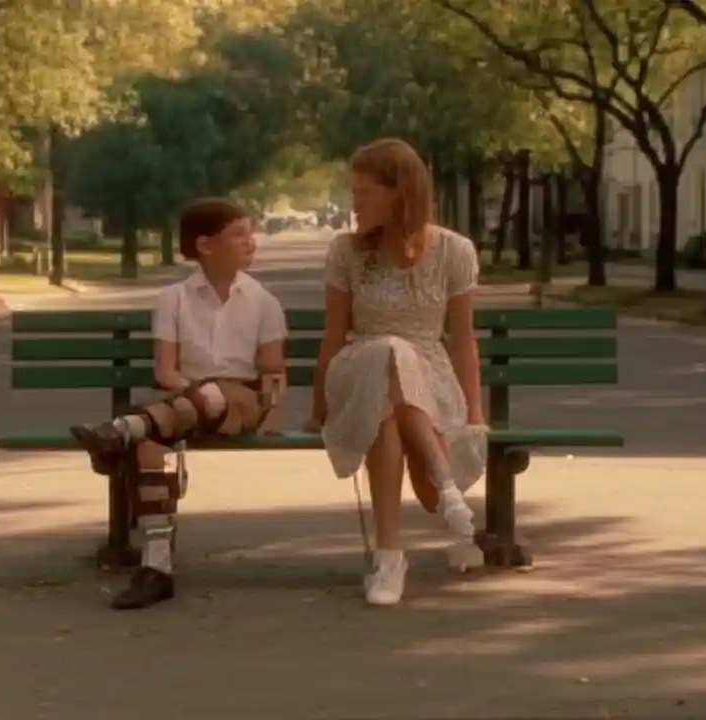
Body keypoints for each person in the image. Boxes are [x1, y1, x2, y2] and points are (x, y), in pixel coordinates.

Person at [70, 198, 288, 611]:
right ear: (205, 246)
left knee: (201, 400)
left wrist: (273, 414)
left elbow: (273, 372)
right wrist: (195, 393)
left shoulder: (263, 301)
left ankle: (119, 430)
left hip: (243, 399)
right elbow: (166, 371)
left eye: (250, 232)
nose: (250, 242)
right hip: (184, 398)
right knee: (151, 447)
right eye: (238, 234)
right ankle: (157, 569)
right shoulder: (173, 299)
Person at [308, 138, 487, 606]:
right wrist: (319, 406)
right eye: (354, 193)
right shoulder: (346, 252)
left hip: (428, 377)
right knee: (385, 352)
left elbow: (463, 339)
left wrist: (475, 413)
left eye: (364, 193)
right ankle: (440, 487)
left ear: (398, 194)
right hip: (358, 367)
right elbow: (333, 334)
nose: (355, 204)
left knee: (385, 413)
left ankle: (391, 557)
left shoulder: (454, 251)